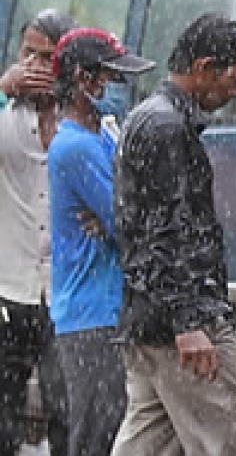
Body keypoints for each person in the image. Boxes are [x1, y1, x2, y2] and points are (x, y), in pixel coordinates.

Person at [111, 13, 236, 455]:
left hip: (149, 316)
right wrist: (188, 322)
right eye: (235, 79)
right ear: (203, 68)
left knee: (147, 442)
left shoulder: (147, 118)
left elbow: (141, 229)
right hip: (181, 318)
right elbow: (166, 233)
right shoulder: (167, 126)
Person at [48, 28, 154, 456]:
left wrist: (130, 204)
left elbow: (133, 204)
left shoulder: (105, 136)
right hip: (92, 313)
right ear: (81, 80)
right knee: (98, 434)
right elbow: (128, 221)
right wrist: (128, 208)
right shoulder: (76, 148)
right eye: (109, 77)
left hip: (112, 306)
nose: (117, 89)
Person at [0, 9, 74, 456]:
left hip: (64, 296)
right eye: (29, 55)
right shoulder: (4, 112)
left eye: (48, 58)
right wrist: (4, 87)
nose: (37, 67)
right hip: (8, 290)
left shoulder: (87, 117)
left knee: (68, 408)